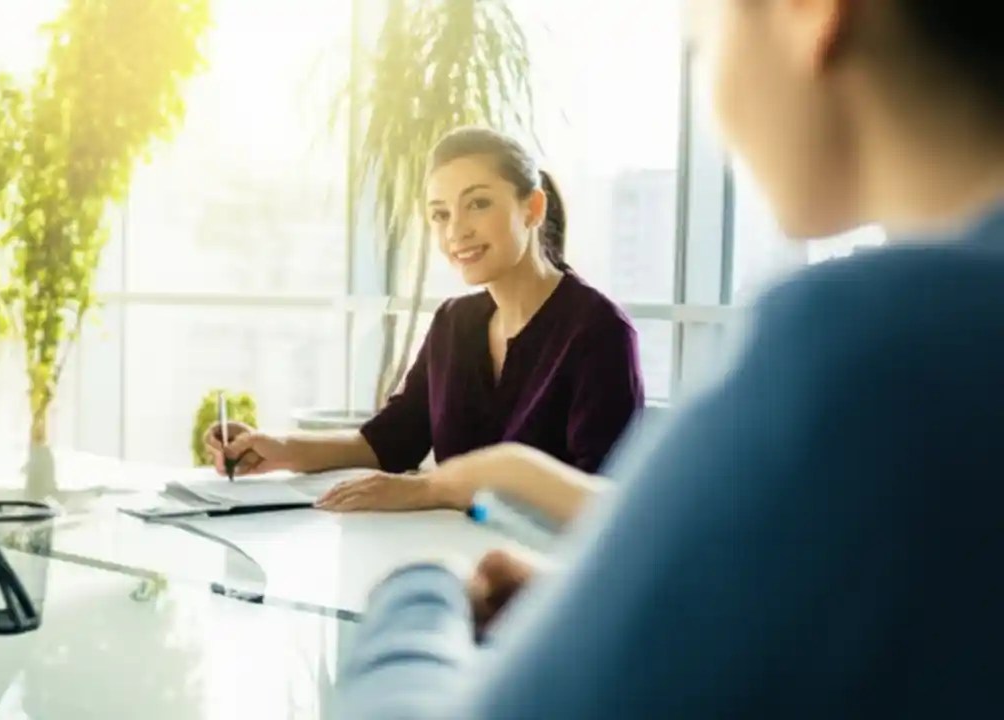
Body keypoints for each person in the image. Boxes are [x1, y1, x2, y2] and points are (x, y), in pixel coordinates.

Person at [335, 0, 1004, 717]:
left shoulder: (863, 347)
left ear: (806, 13)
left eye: (700, 47)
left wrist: (419, 592)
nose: (714, 103)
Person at [206, 127, 644, 513]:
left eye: (478, 204)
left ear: (532, 209)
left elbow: (601, 502)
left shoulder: (599, 332)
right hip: (449, 557)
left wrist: (430, 490)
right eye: (440, 214)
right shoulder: (454, 323)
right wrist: (277, 448)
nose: (457, 231)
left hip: (543, 577)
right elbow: (387, 444)